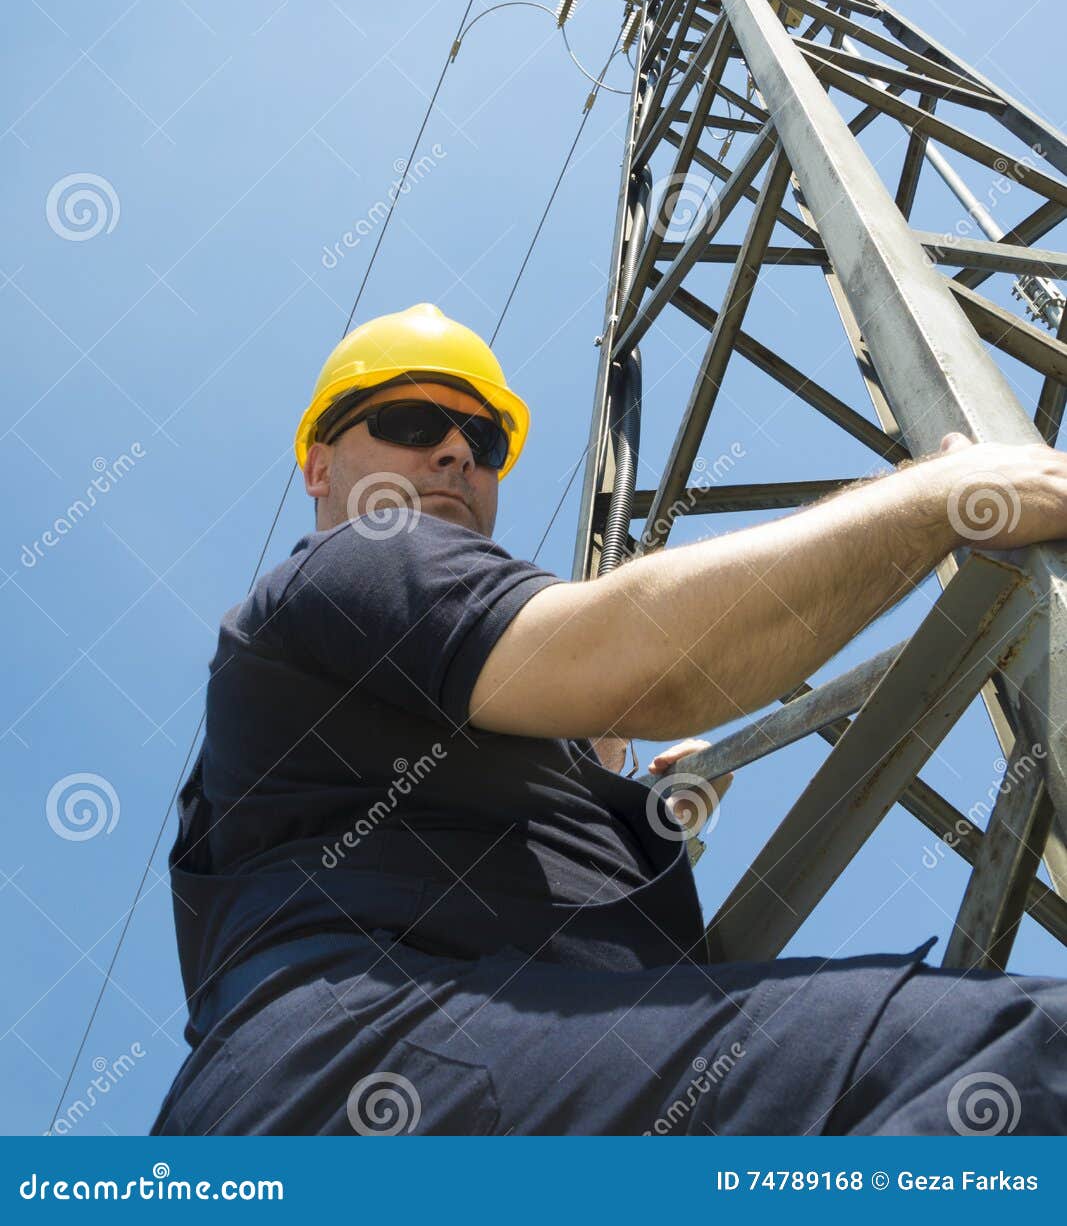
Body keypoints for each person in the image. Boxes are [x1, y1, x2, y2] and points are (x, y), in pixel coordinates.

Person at [149, 302, 1067, 1136]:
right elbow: (641, 659)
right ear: (318, 463)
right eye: (409, 422)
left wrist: (622, 809)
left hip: (408, 1081)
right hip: (372, 1067)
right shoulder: (362, 556)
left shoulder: (372, 710)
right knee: (1011, 1063)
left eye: (480, 437)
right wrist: (944, 497)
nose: (456, 453)